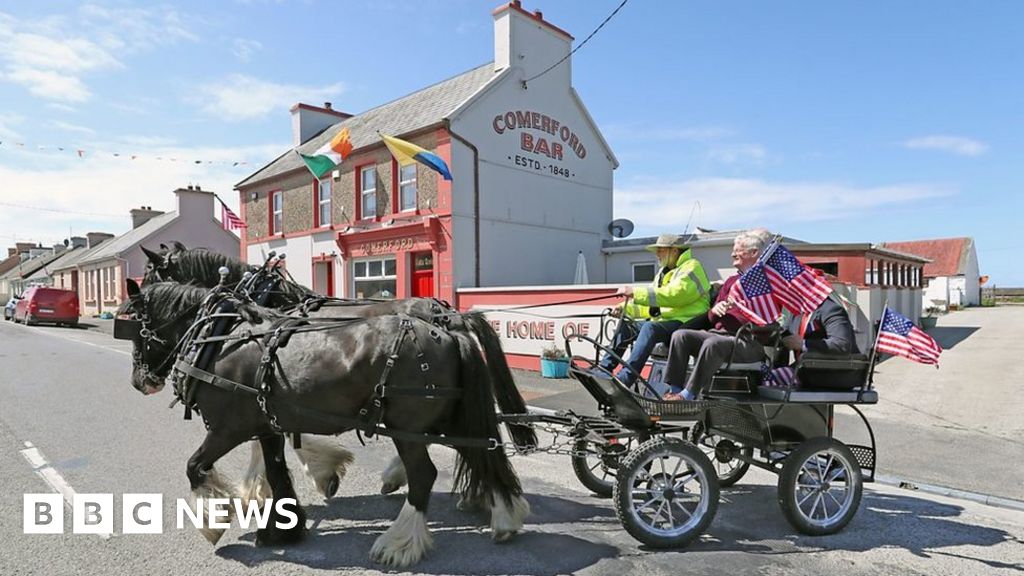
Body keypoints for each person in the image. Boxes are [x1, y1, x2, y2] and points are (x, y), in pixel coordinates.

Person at [661, 228, 773, 400]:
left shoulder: (766, 283)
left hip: (747, 342)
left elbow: (769, 320)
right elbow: (712, 318)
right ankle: (674, 390)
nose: (732, 254)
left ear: (754, 252)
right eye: (733, 250)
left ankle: (688, 394)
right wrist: (715, 310)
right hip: (719, 336)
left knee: (713, 343)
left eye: (738, 250)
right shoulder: (730, 282)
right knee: (680, 335)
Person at [597, 233, 711, 386]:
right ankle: (603, 370)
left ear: (675, 251)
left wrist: (635, 292)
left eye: (661, 250)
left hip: (688, 322)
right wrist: (624, 309)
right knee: (627, 325)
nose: (657, 254)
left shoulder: (692, 267)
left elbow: (675, 295)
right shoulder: (661, 274)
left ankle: (626, 378)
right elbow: (652, 304)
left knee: (650, 328)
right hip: (665, 322)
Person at [765, 295, 860, 387]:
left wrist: (803, 344)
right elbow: (786, 337)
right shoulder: (797, 312)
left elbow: (841, 344)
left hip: (832, 373)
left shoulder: (831, 310)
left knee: (767, 380)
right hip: (805, 370)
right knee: (761, 375)